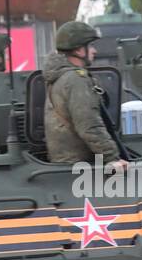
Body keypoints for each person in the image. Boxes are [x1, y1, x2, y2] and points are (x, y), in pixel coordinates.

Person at [42, 21, 127, 171]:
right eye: (91, 46)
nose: (94, 51)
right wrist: (111, 158)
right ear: (80, 51)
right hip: (80, 167)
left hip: (66, 164)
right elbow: (89, 125)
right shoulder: (76, 80)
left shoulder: (59, 76)